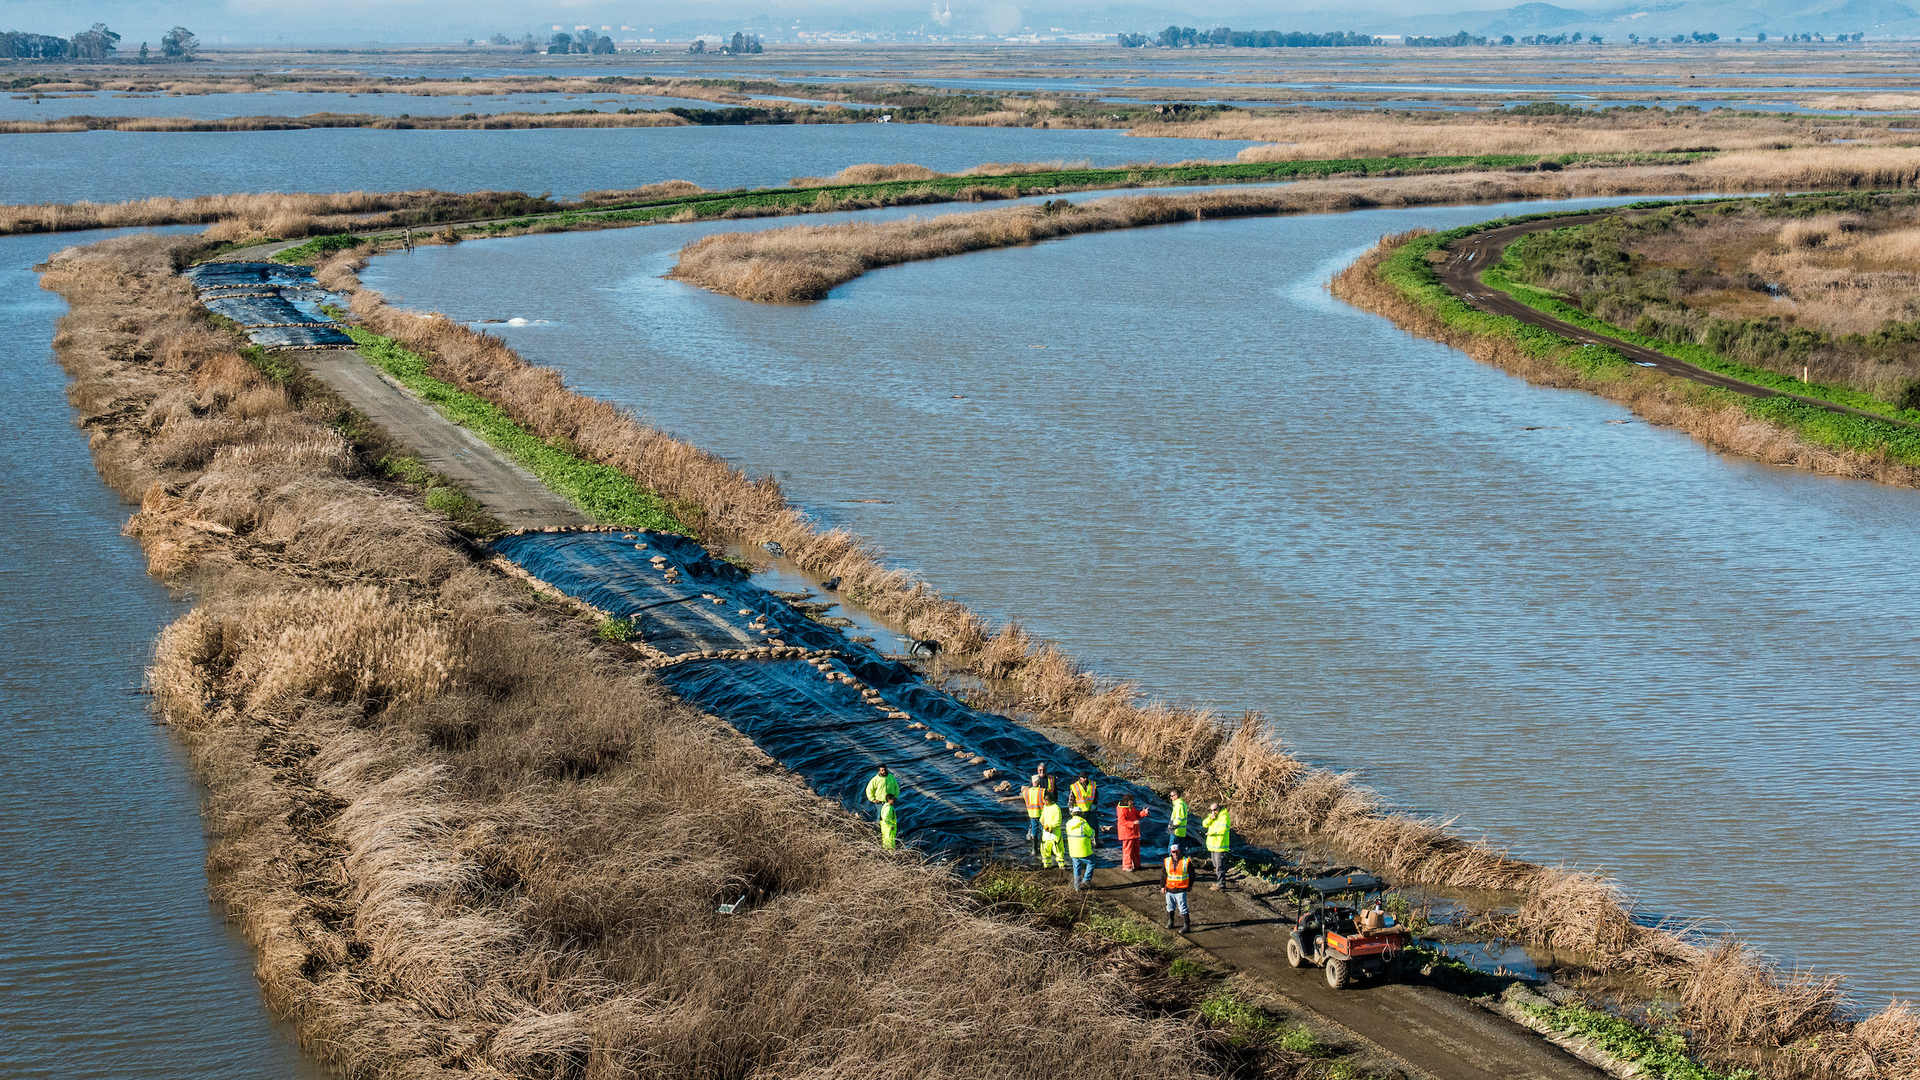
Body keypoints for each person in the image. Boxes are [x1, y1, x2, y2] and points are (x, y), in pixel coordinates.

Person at [1113, 794, 1151, 872]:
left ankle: (1137, 865)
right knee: (1128, 850)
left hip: (1134, 832)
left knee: (1136, 849)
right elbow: (1122, 821)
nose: (1132, 803)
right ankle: (1127, 866)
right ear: (1126, 801)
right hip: (1127, 833)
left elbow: (1137, 814)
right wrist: (1132, 823)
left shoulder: (1131, 807)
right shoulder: (1122, 810)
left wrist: (1143, 813)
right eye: (1131, 801)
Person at [1161, 841, 1193, 933]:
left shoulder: (1186, 861)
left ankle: (1186, 926)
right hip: (1169, 889)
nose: (1175, 854)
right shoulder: (1167, 861)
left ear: (1180, 851)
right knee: (1170, 907)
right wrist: (1162, 886)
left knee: (1183, 908)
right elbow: (1163, 875)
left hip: (1181, 889)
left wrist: (1190, 886)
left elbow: (1192, 875)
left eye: (1177, 852)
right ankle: (1170, 922)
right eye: (1173, 852)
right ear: (1171, 852)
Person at [1064, 805, 1097, 890]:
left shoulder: (1068, 824)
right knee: (1091, 862)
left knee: (1076, 867)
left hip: (1073, 850)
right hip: (1083, 850)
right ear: (1081, 814)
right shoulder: (1083, 824)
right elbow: (1091, 833)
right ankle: (1086, 880)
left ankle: (1076, 886)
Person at [1202, 801, 1232, 890]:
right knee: (1216, 865)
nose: (1213, 812)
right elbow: (1204, 824)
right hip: (1213, 846)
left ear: (1219, 808)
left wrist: (1211, 832)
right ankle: (1219, 882)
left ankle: (1221, 885)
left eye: (1215, 810)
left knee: (1220, 867)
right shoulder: (1213, 817)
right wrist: (1210, 819)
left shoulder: (1224, 817)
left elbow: (1223, 829)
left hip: (1220, 846)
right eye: (1211, 810)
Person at [1023, 775, 1050, 859]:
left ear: (1032, 782)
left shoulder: (1026, 792)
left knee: (1034, 829)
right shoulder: (1042, 791)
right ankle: (1042, 847)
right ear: (1039, 782)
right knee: (1042, 830)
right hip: (1041, 813)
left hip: (1031, 813)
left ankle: (1034, 848)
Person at [1038, 799, 1065, 869]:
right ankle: (1046, 865)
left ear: (1048, 801)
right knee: (1045, 849)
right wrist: (1041, 820)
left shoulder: (1056, 808)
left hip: (1055, 833)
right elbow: (1043, 816)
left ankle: (1061, 865)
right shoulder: (1045, 807)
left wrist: (1050, 826)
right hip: (1046, 833)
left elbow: (1058, 822)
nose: (1043, 802)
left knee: (1058, 849)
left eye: (1045, 801)